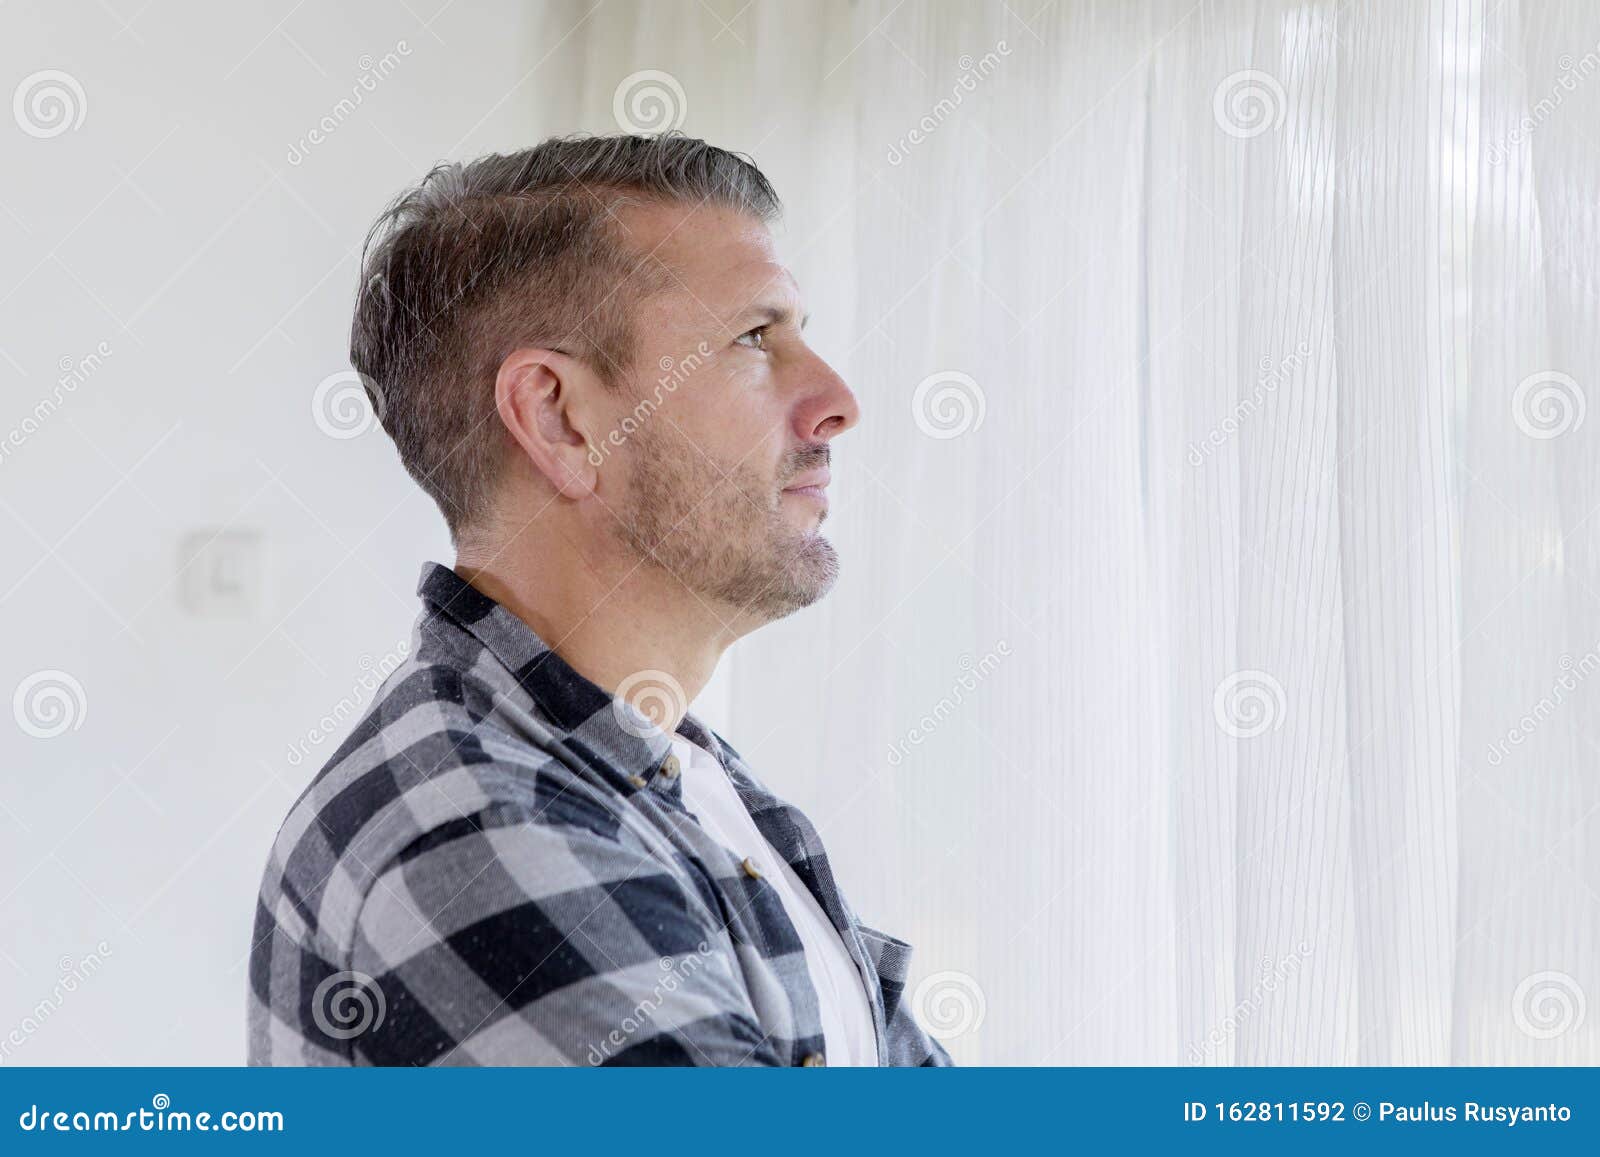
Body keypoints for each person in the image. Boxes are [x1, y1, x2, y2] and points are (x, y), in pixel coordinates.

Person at [247, 133, 951, 1067]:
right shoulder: (477, 832)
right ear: (560, 418)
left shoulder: (690, 783)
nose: (837, 401)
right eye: (753, 337)